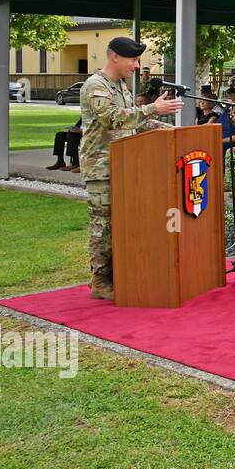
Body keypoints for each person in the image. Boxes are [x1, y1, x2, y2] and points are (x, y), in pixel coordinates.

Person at [80, 37, 183, 300]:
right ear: (115, 56)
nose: (137, 66)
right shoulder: (96, 86)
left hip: (126, 167)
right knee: (103, 226)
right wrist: (152, 108)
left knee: (124, 223)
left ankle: (123, 273)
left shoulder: (122, 87)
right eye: (133, 60)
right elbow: (113, 119)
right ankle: (100, 281)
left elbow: (135, 124)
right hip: (101, 166)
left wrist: (179, 133)